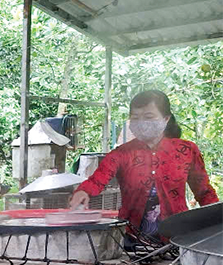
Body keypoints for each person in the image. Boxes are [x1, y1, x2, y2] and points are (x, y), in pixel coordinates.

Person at [70, 90, 218, 239]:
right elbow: (98, 178)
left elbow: (204, 192)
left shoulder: (186, 151)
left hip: (177, 238)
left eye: (148, 117)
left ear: (166, 119)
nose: (141, 123)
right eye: (135, 118)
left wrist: (218, 224)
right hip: (130, 238)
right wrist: (83, 192)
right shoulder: (122, 153)